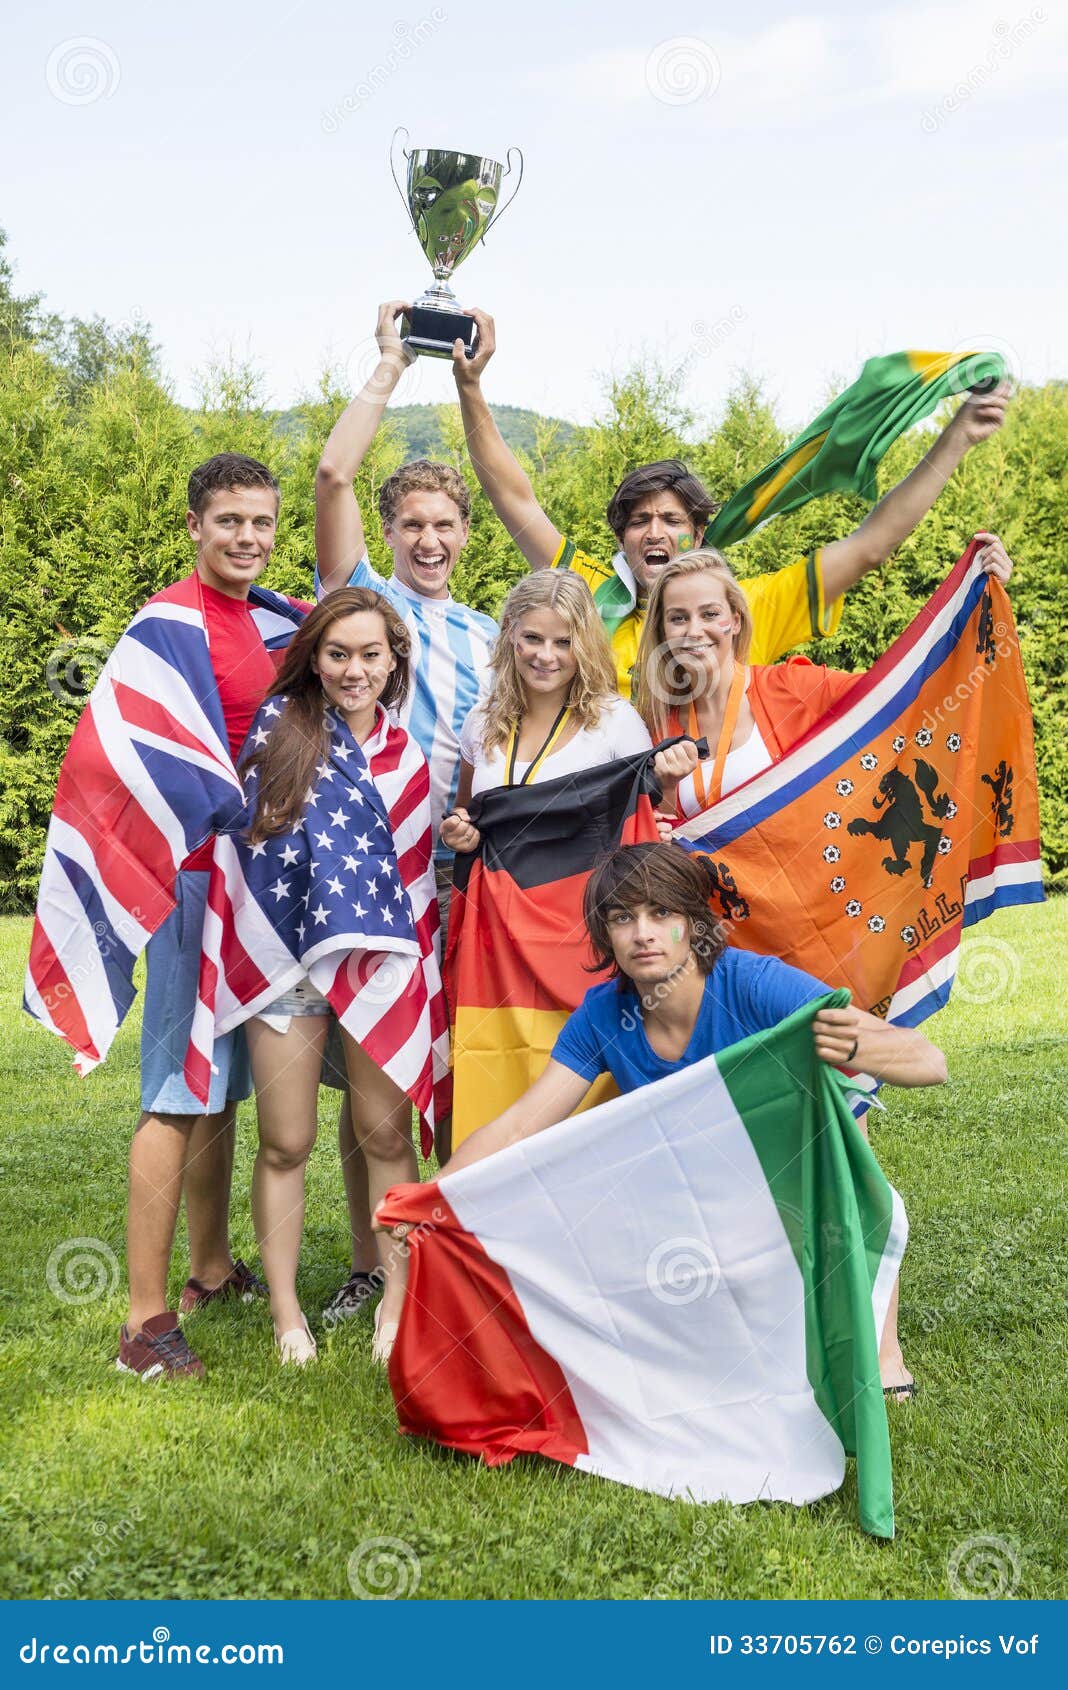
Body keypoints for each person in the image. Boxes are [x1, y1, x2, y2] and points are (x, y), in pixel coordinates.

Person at [415, 845, 945, 1401]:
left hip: (794, 1178)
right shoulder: (602, 1016)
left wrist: (862, 1046)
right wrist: (432, 1197)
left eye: (661, 914)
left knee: (846, 1139)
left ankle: (884, 1352)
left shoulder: (755, 984)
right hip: (693, 1194)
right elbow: (521, 1127)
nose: (643, 933)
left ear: (693, 925)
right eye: (622, 918)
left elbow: (930, 1062)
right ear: (605, 937)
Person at [450, 308, 1012, 698]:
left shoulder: (745, 607)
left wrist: (957, 436)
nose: (655, 533)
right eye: (640, 520)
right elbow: (513, 498)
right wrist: (471, 388)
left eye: (672, 520)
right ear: (621, 536)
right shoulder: (586, 589)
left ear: (696, 536)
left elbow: (871, 546)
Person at [110, 453, 341, 1379]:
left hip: (270, 894)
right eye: (229, 522)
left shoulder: (285, 620)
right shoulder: (165, 629)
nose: (246, 538)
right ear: (197, 526)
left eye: (261, 523)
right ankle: (142, 1324)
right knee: (178, 1090)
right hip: (197, 887)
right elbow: (131, 761)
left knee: (226, 1084)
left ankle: (210, 1268)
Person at [314, 303, 499, 1314]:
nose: (428, 539)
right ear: (388, 535)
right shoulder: (362, 606)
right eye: (412, 524)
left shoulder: (487, 629)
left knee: (437, 1069)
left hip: (454, 874)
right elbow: (333, 476)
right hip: (366, 872)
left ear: (466, 536)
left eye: (445, 524)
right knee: (365, 1075)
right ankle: (369, 1262)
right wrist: (390, 365)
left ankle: (443, 1255)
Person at [227, 587, 444, 1366]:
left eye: (371, 655)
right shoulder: (277, 734)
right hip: (286, 962)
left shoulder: (406, 754)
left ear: (394, 661)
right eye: (338, 654)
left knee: (383, 1131)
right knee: (287, 1140)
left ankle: (397, 1293)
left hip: (379, 965)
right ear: (314, 658)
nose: (356, 671)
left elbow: (414, 877)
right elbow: (252, 856)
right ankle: (288, 1314)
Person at [635, 544, 1013, 819]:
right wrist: (666, 787)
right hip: (707, 925)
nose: (694, 630)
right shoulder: (653, 724)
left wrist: (976, 605)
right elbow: (661, 843)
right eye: (678, 618)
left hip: (795, 921)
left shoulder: (793, 688)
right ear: (663, 629)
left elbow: (900, 692)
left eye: (710, 613)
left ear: (734, 620)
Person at [441, 572, 653, 857]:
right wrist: (457, 830)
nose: (546, 655)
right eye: (533, 638)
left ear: (584, 643)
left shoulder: (616, 721)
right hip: (496, 897)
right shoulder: (481, 719)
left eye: (564, 642)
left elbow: (650, 827)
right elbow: (465, 811)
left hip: (583, 898)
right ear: (509, 631)